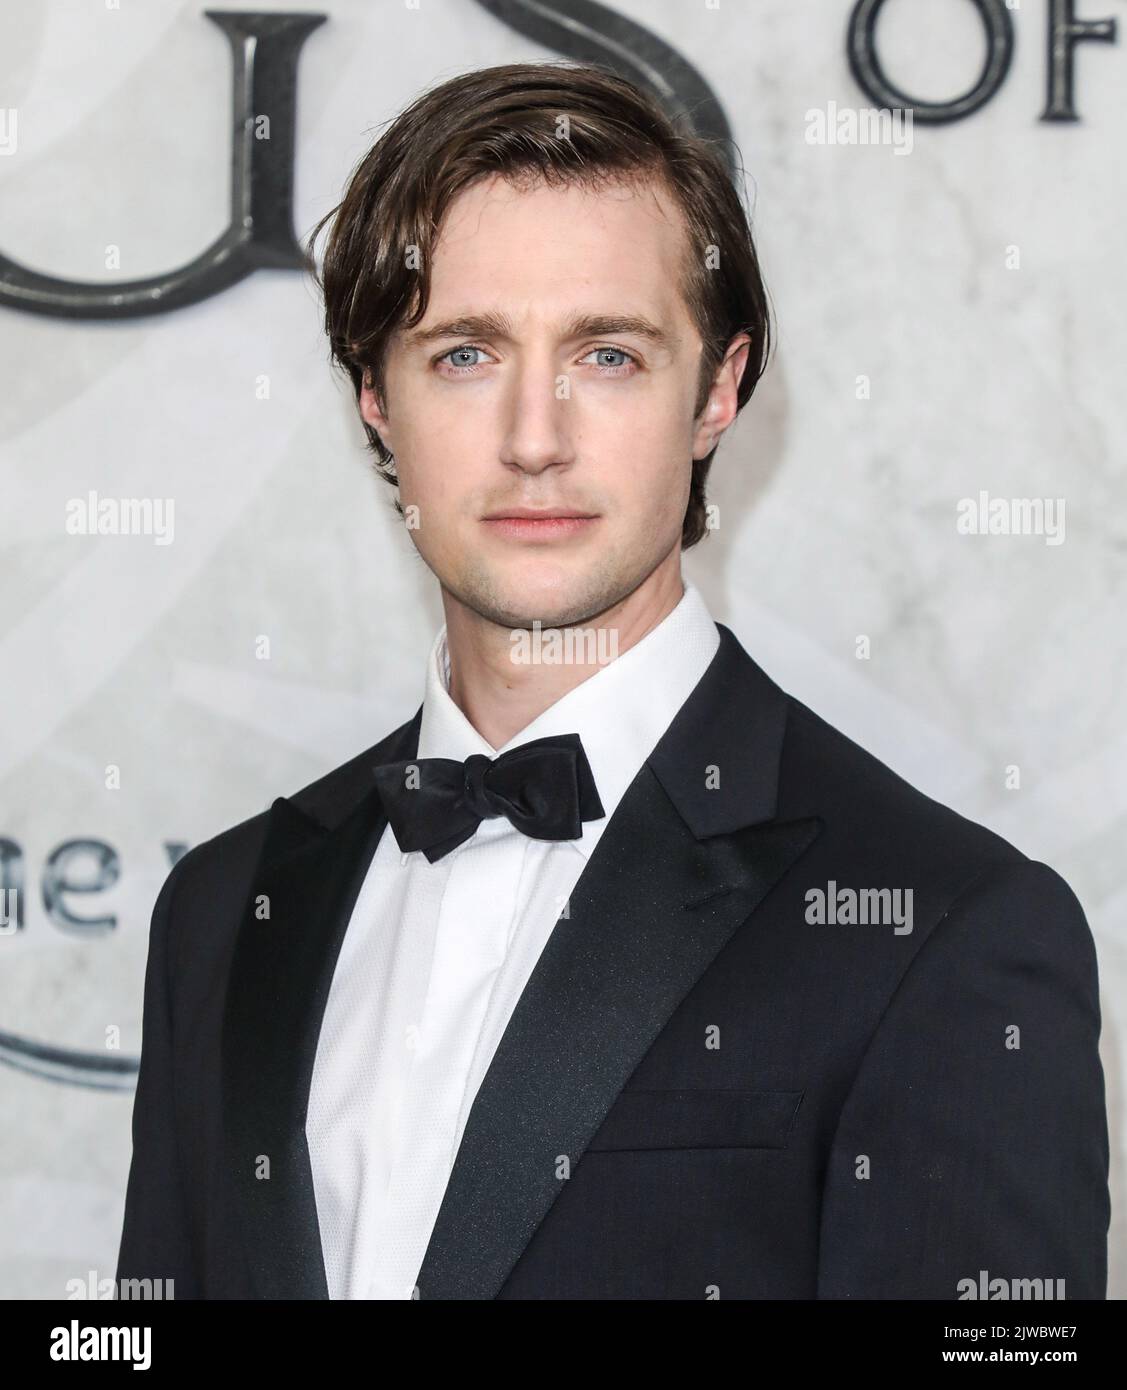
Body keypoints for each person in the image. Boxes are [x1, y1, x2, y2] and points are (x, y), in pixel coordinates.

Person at [116, 61, 1109, 1300]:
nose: (536, 435)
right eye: (466, 353)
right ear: (374, 396)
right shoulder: (220, 911)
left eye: (609, 356)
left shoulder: (944, 928)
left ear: (719, 389)